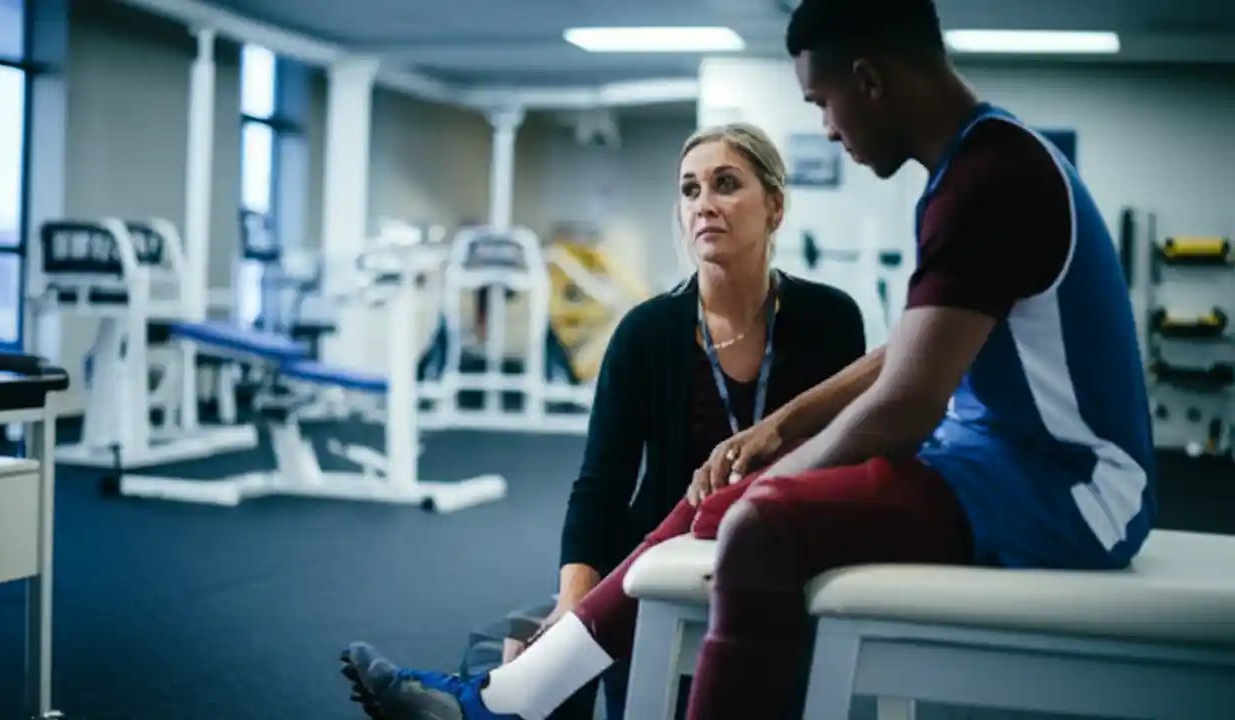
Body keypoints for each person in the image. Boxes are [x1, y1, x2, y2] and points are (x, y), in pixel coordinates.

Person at [338, 0, 1159, 717]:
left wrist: (772, 477)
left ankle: (510, 704)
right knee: (723, 503)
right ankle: (509, 703)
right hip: (1006, 465)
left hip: (1074, 487)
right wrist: (775, 433)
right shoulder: (975, 167)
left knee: (758, 522)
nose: (829, 127)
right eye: (689, 189)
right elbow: (906, 356)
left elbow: (907, 401)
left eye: (824, 101)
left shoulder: (990, 178)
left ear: (869, 79)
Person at [495, 121, 866, 720]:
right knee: (543, 651)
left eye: (725, 184)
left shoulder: (830, 320)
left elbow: (848, 458)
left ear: (774, 206)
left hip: (780, 555)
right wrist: (572, 602)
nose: (705, 205)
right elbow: (601, 485)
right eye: (690, 190)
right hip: (660, 556)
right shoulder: (647, 332)